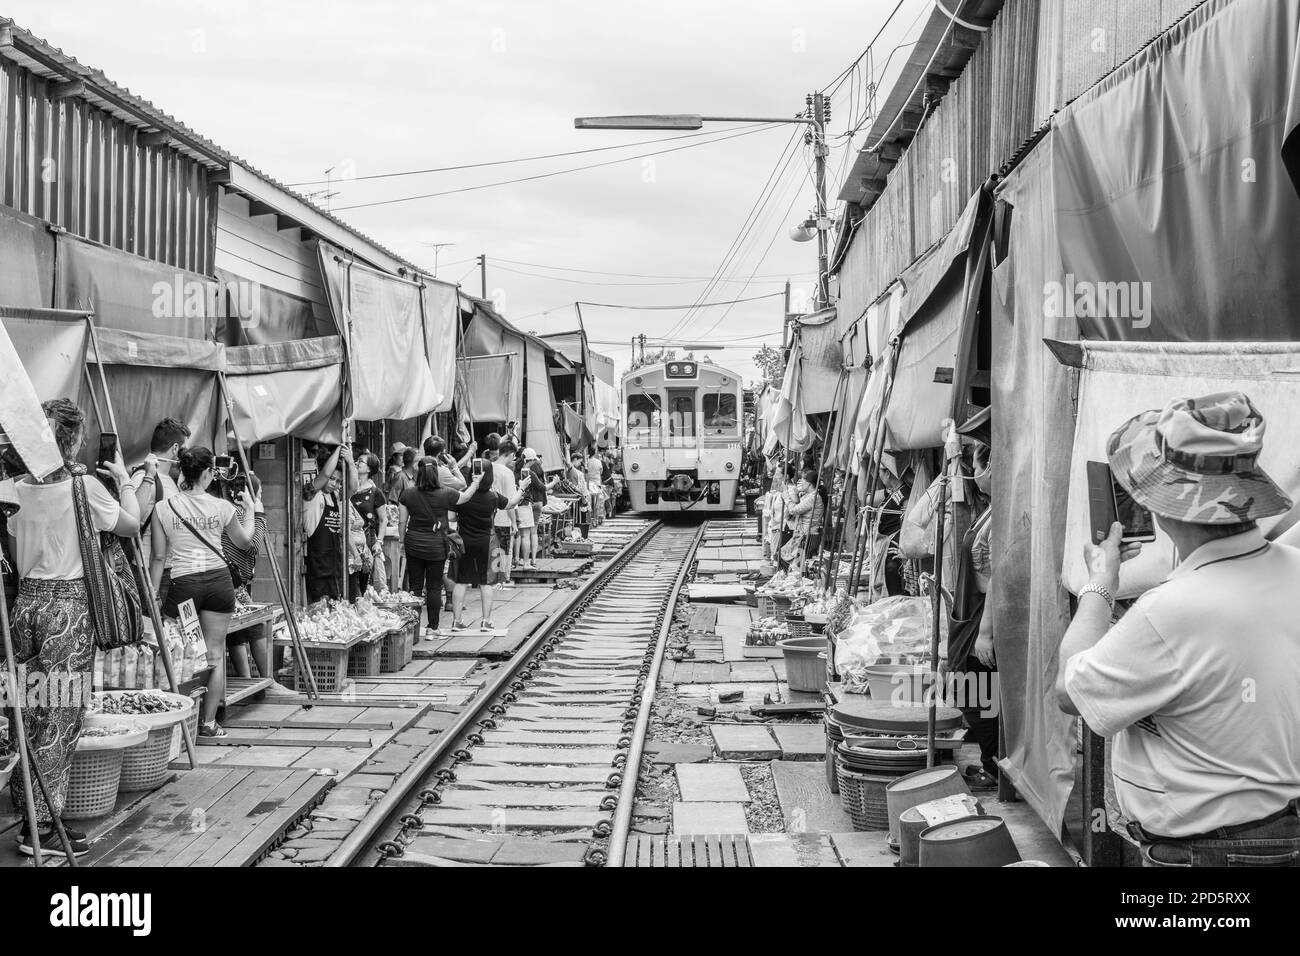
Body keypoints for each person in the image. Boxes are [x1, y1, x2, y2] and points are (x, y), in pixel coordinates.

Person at [1056, 391, 1300, 867]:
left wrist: (1099, 586)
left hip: (1210, 852)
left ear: (1161, 504)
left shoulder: (1170, 611)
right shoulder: (1293, 568)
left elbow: (1070, 690)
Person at [6, 399, 141, 856]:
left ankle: (28, 810)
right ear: (75, 439)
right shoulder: (85, 488)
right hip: (68, 612)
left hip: (23, 608)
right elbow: (131, 524)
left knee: (28, 709)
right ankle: (41, 826)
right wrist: (125, 481)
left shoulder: (10, 488)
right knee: (61, 716)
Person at [150, 446, 257, 738]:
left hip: (185, 588)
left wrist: (152, 590)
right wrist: (250, 511)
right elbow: (245, 541)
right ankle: (209, 723)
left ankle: (181, 721)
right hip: (219, 586)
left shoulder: (165, 507)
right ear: (209, 472)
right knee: (214, 654)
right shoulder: (222, 507)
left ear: (183, 471)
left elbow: (159, 558)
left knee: (184, 652)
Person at [448, 465, 531, 630]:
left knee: (461, 581)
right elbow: (512, 503)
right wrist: (522, 487)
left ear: (473, 474)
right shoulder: (493, 497)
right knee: (486, 583)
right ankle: (486, 621)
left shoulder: (462, 495)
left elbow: (451, 517)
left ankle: (456, 622)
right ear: (490, 477)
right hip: (487, 542)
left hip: (464, 542)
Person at [398, 457, 460, 634]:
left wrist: (402, 542)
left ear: (419, 472)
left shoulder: (408, 493)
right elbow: (464, 497)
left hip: (414, 543)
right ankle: (433, 627)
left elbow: (402, 522)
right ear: (436, 472)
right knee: (434, 586)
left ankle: (414, 628)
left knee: (415, 587)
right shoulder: (446, 493)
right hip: (436, 546)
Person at [302, 446, 366, 603]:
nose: (335, 484)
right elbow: (324, 474)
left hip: (335, 567)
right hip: (318, 569)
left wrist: (350, 462)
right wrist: (338, 447)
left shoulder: (335, 497)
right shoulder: (311, 496)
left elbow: (353, 488)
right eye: (332, 479)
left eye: (338, 481)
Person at [127, 417, 190, 568]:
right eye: (184, 449)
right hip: (146, 567)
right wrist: (148, 477)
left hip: (169, 567)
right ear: (175, 448)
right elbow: (132, 517)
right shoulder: (142, 476)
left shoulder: (170, 478)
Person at [350, 452, 388, 595]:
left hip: (367, 539)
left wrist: (379, 541)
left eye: (361, 461)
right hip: (349, 538)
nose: (357, 462)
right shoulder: (348, 488)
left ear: (369, 469)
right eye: (357, 460)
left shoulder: (375, 492)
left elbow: (383, 520)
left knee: (364, 577)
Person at [491, 442, 520, 587]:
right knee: (502, 551)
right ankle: (501, 580)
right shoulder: (507, 473)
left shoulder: (487, 467)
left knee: (491, 550)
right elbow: (511, 502)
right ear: (510, 454)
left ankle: (489, 580)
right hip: (503, 518)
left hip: (488, 518)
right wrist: (514, 523)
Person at [518, 447, 546, 568]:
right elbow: (542, 487)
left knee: (517, 533)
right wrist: (554, 482)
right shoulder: (532, 470)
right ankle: (530, 560)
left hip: (516, 504)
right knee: (530, 533)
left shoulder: (514, 469)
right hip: (529, 503)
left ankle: (515, 559)